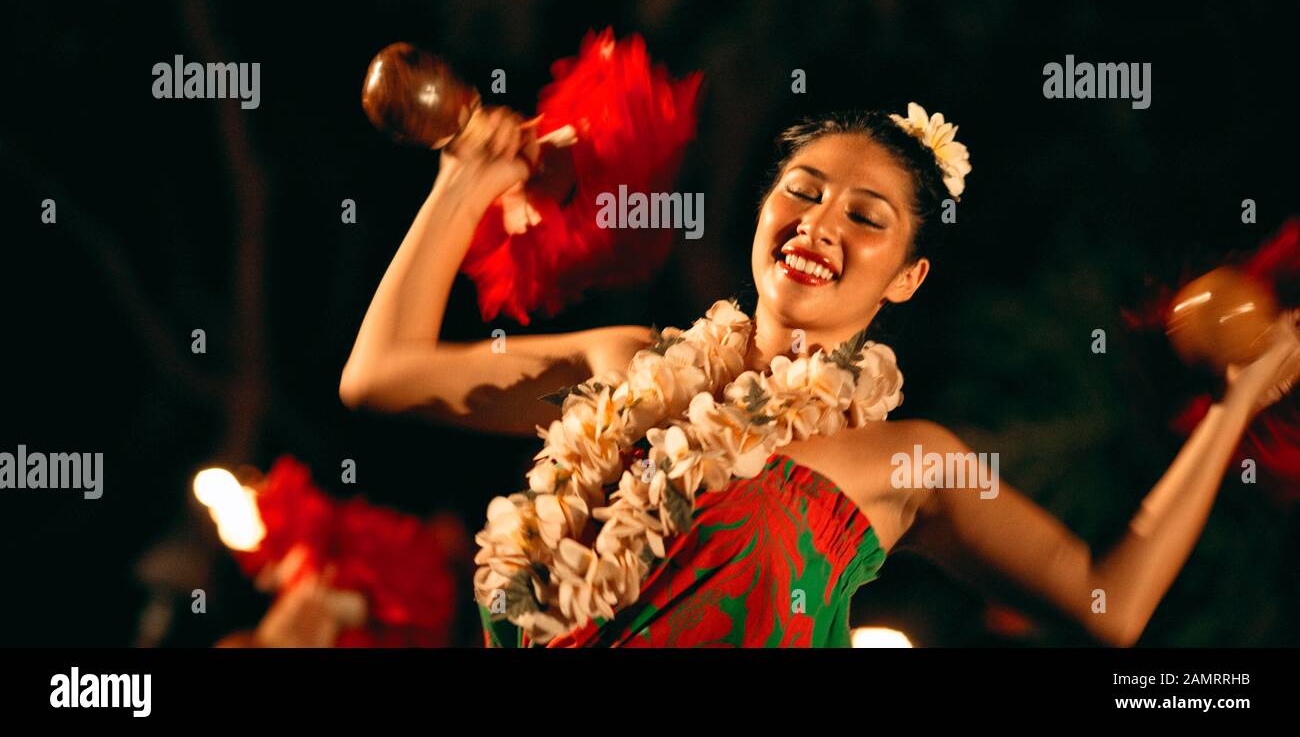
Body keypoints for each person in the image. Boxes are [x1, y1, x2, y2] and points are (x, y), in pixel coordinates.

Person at [339, 103, 1300, 647]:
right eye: (801, 193)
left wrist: (1238, 402)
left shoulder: (911, 463)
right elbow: (379, 376)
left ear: (909, 277)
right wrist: (463, 183)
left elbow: (1110, 603)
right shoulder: (618, 364)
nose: (819, 224)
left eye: (866, 217)